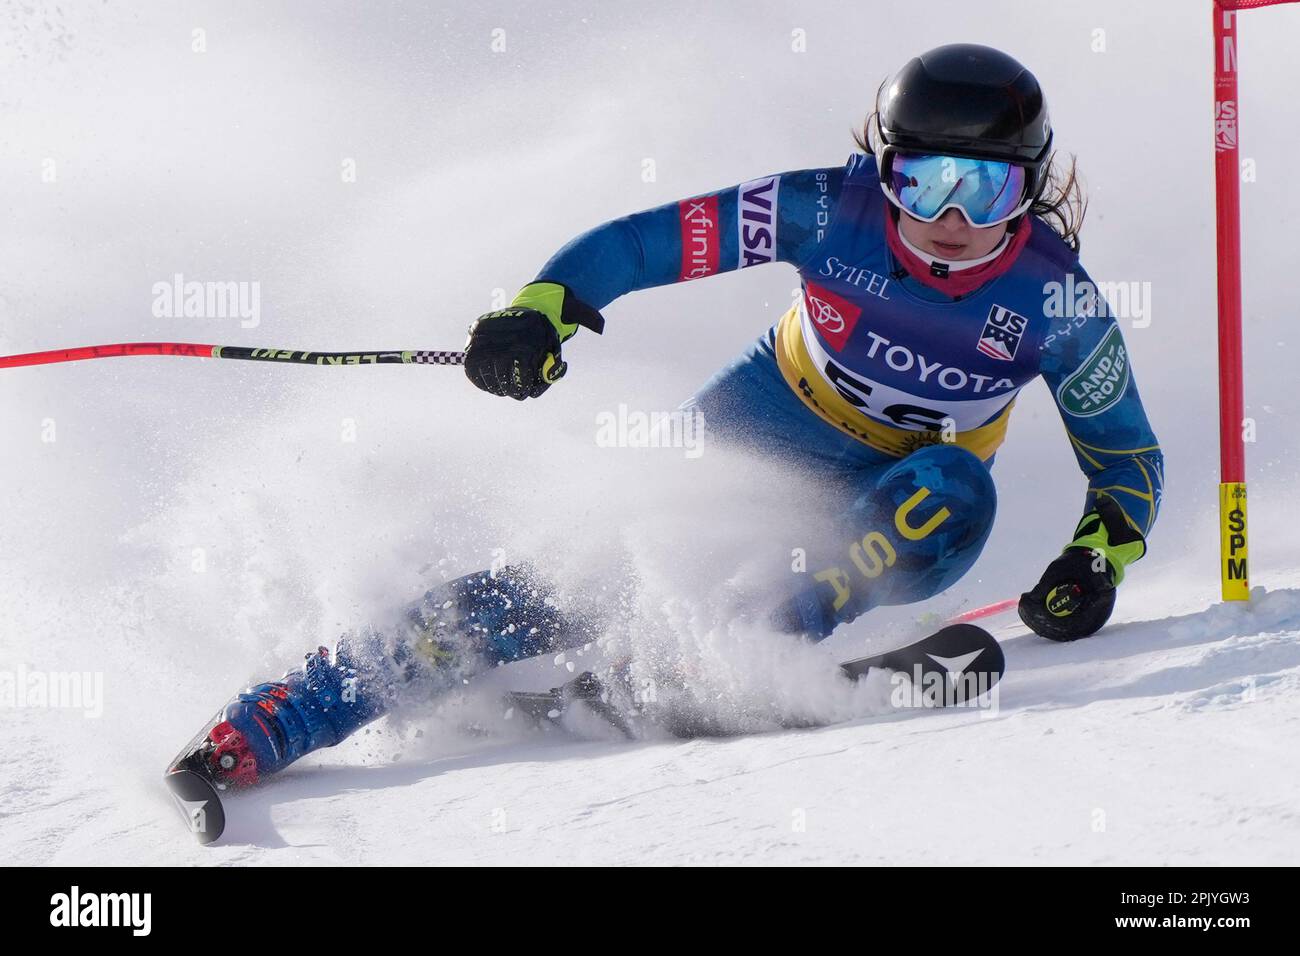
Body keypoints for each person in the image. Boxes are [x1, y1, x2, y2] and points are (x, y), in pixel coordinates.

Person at [186, 44, 1162, 787]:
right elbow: (644, 245)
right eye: (924, 180)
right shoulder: (827, 211)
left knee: (954, 491)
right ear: (885, 169)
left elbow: (1126, 458)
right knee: (573, 576)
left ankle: (749, 647)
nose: (951, 214)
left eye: (983, 185)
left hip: (900, 495)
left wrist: (1094, 557)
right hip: (758, 427)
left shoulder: (1054, 303)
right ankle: (295, 706)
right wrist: (544, 306)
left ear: (1027, 190)